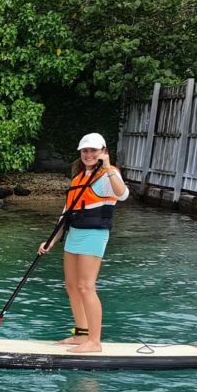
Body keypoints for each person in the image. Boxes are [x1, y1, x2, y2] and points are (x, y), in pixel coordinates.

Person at [37, 132, 130, 354]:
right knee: (71, 286)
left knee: (86, 287)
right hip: (74, 234)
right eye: (85, 151)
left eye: (93, 150)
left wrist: (107, 167)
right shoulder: (78, 177)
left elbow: (123, 194)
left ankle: (95, 342)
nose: (89, 154)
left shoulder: (108, 175)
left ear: (103, 152)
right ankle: (81, 334)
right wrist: (51, 241)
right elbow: (66, 213)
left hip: (94, 235)